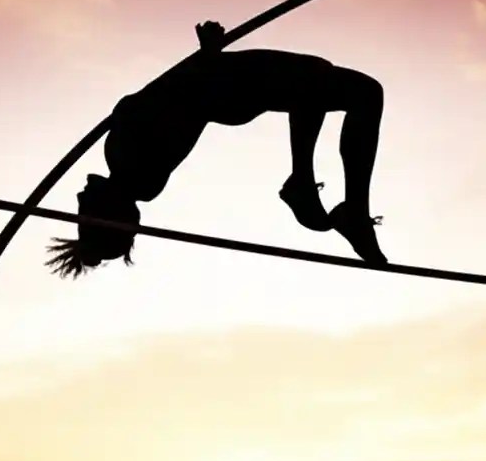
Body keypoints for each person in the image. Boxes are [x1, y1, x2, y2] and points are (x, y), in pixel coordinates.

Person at [46, 20, 387, 277]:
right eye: (82, 211)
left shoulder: (134, 173)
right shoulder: (132, 167)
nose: (77, 198)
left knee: (356, 92)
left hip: (222, 86)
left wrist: (206, 58)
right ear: (107, 211)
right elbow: (178, 104)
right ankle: (311, 187)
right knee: (318, 82)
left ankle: (346, 207)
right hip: (226, 85)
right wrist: (207, 57)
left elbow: (171, 103)